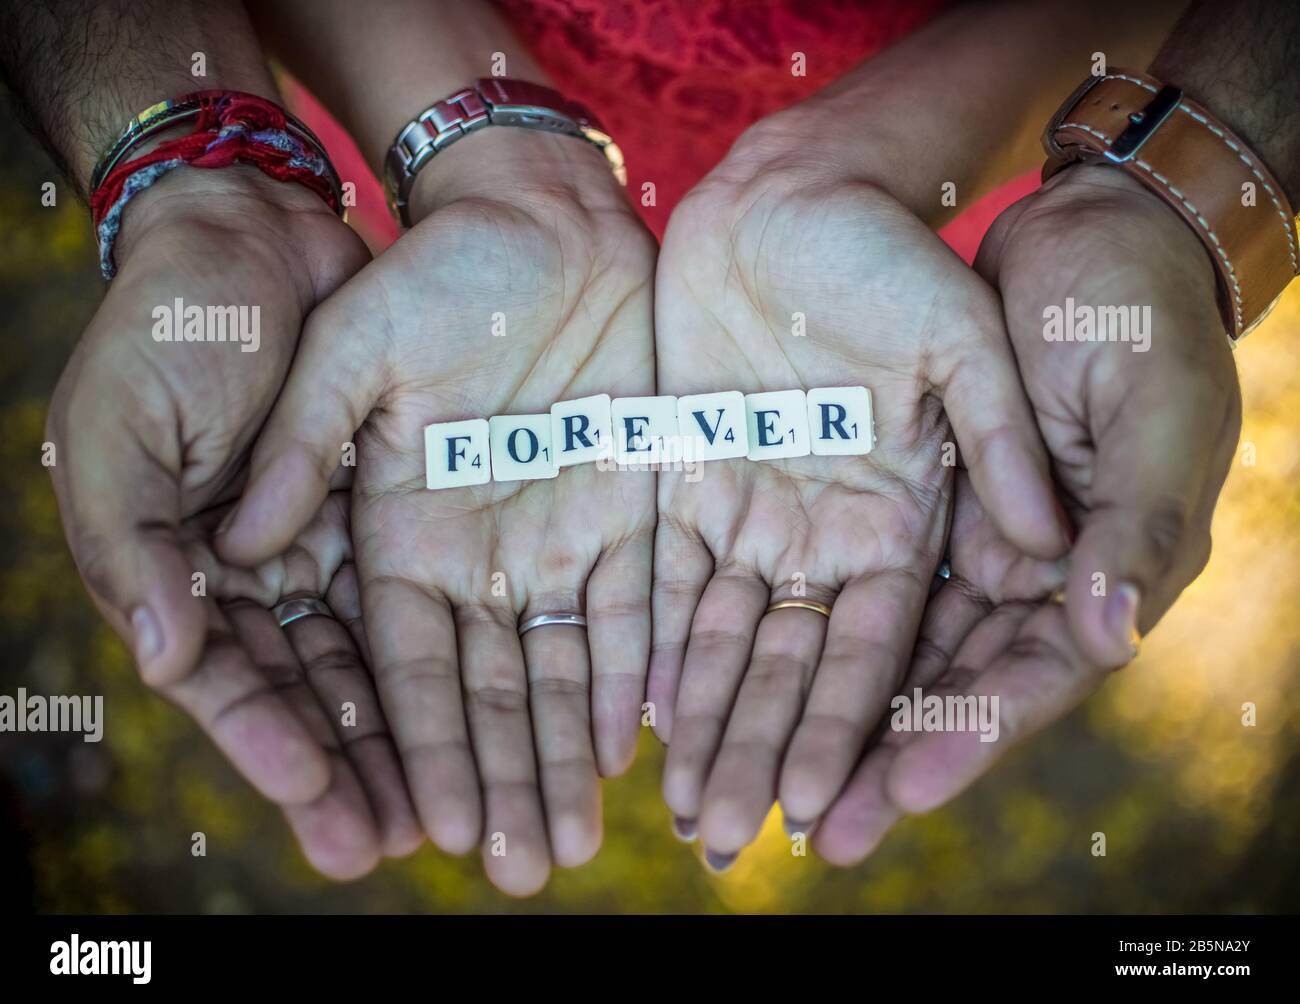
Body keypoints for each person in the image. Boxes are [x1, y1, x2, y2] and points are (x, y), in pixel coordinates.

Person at [1, 0, 1293, 897]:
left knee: (935, 358)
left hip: (929, 155)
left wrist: (1159, 206)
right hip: (441, 123)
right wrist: (221, 193)